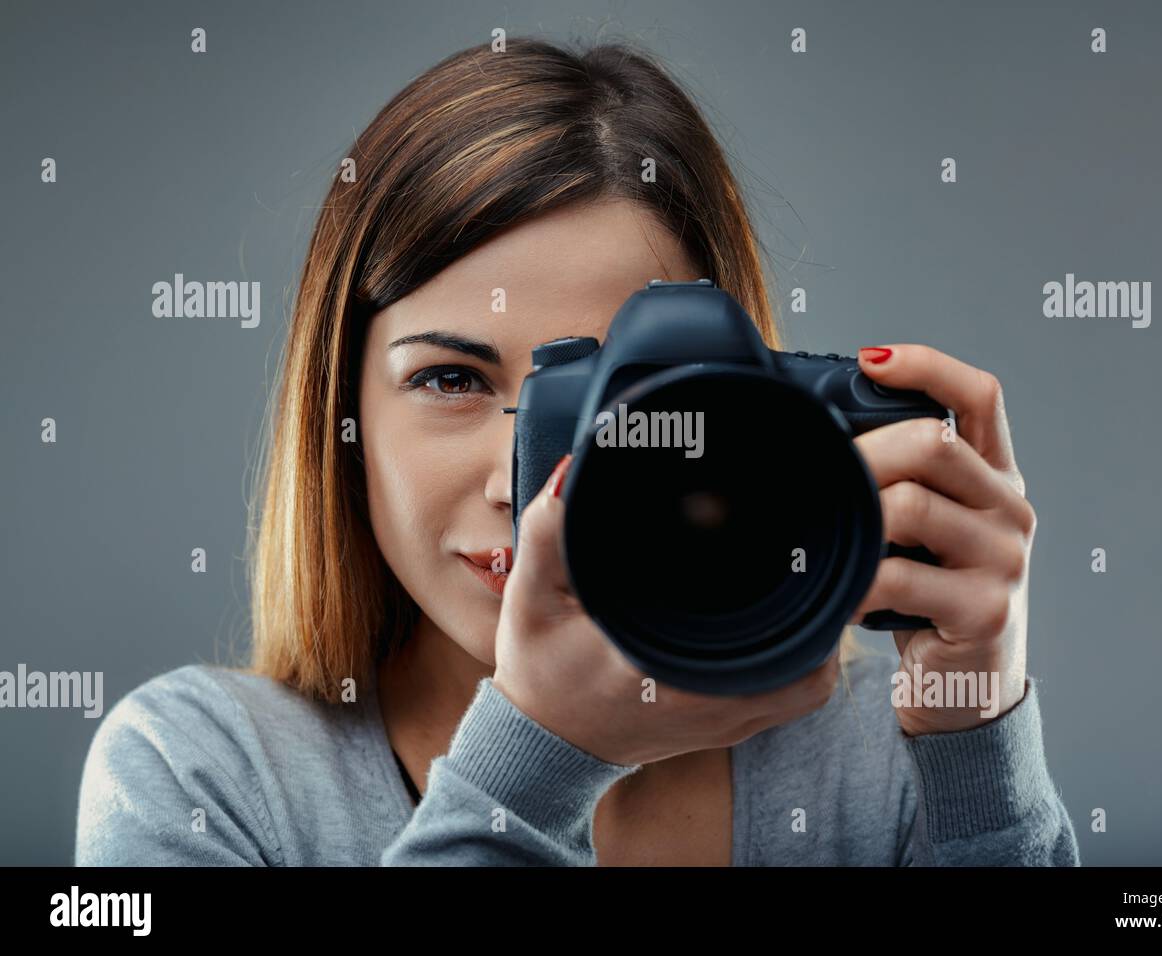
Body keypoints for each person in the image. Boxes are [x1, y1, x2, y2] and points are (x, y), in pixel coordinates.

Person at [74, 37, 1079, 867]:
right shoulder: (200, 775)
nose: (528, 488)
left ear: (742, 410)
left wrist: (975, 744)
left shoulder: (880, 757)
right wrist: (542, 755)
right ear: (341, 417)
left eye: (610, 399)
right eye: (451, 380)